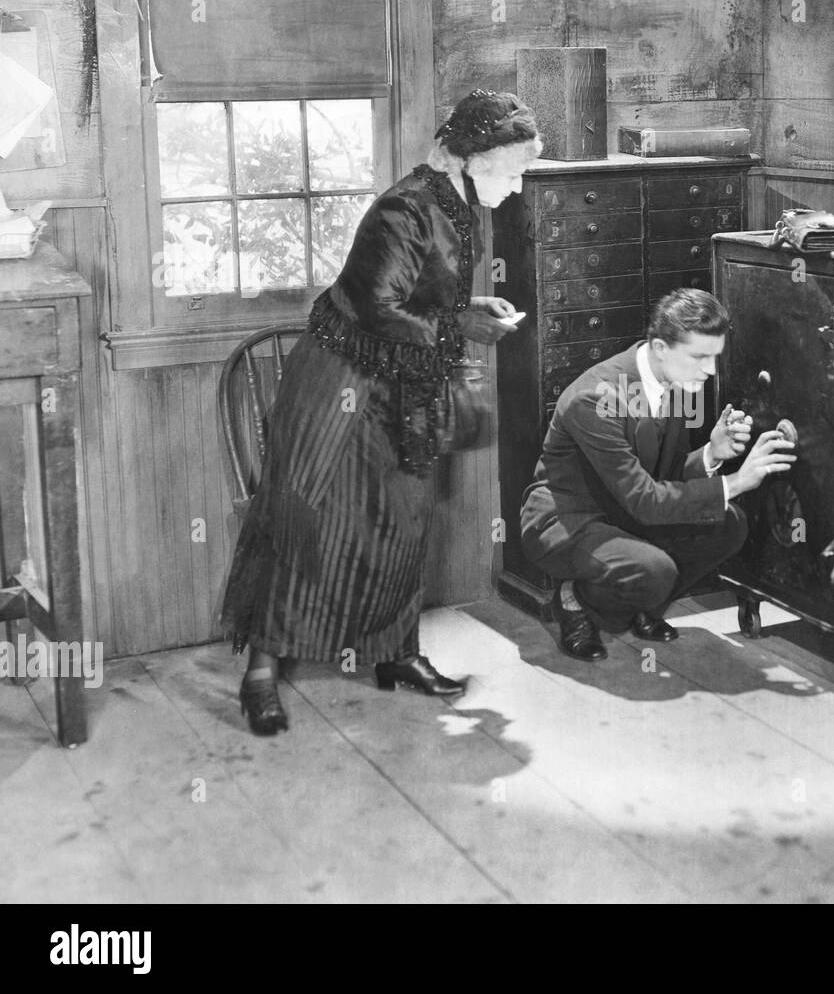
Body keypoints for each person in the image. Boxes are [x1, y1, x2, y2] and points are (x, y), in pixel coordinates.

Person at [219, 89, 542, 735]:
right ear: (471, 157)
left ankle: (397, 653)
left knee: (405, 517)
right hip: (344, 382)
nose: (517, 183)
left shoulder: (457, 202)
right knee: (307, 517)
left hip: (402, 382)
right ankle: (261, 670)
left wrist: (469, 316)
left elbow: (429, 302)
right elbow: (378, 308)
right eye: (511, 169)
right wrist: (464, 327)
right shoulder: (404, 209)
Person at [520, 289, 798, 661]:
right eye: (699, 357)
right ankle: (576, 601)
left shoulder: (673, 382)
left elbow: (660, 477)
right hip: (569, 522)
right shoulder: (596, 398)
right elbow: (645, 499)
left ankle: (644, 607)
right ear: (661, 348)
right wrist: (735, 482)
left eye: (715, 357)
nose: (711, 371)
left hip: (623, 511)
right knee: (654, 571)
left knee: (729, 524)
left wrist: (712, 453)